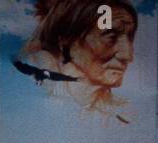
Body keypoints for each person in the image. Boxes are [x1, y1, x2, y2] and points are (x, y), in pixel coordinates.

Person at [14, 0, 140, 128]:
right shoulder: (29, 98)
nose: (128, 56)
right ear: (66, 40)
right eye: (110, 37)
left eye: (130, 38)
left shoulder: (118, 116)